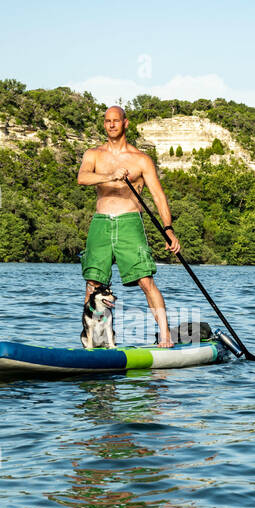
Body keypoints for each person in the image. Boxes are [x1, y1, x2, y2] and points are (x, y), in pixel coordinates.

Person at [77, 105, 181, 347]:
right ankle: (92, 341)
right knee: (92, 283)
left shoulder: (141, 160)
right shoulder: (93, 154)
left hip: (129, 223)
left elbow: (158, 196)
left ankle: (165, 336)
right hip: (101, 223)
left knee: (146, 281)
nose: (111, 124)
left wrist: (168, 229)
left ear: (125, 123)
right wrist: (110, 176)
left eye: (116, 120)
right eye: (107, 121)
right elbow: (82, 178)